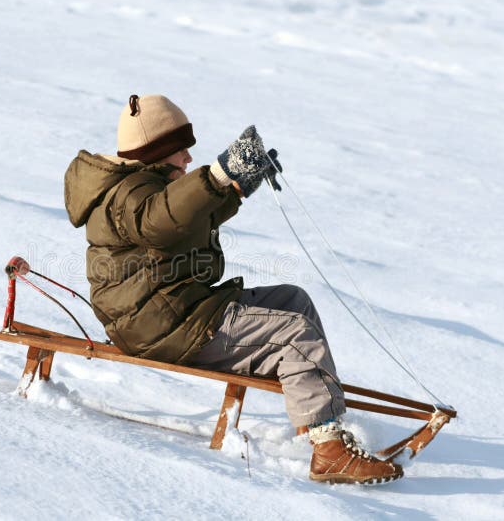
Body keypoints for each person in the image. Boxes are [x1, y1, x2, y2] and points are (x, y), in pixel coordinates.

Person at [62, 94, 403, 484]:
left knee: (294, 300)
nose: (189, 159)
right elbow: (163, 217)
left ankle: (315, 421)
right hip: (162, 326)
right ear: (156, 153)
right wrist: (216, 175)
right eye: (181, 151)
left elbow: (185, 217)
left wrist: (237, 187)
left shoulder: (145, 188)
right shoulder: (131, 197)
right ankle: (329, 453)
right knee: (293, 334)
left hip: (173, 311)